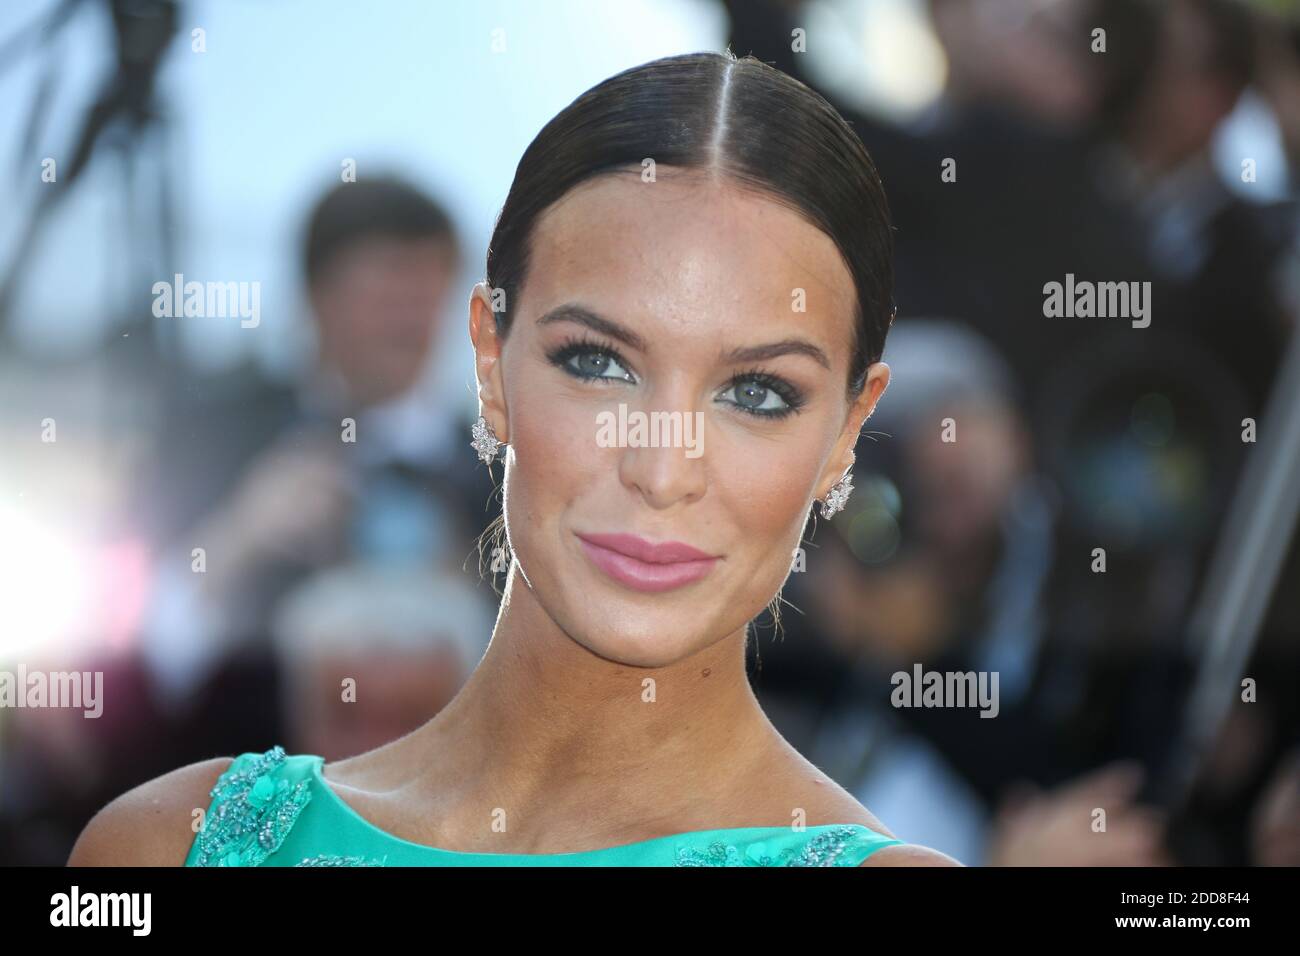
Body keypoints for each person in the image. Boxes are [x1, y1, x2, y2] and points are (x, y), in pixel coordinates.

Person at [68, 50, 959, 867]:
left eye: (758, 393)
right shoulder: (166, 845)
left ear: (848, 431)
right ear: (491, 365)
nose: (663, 470)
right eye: (599, 364)